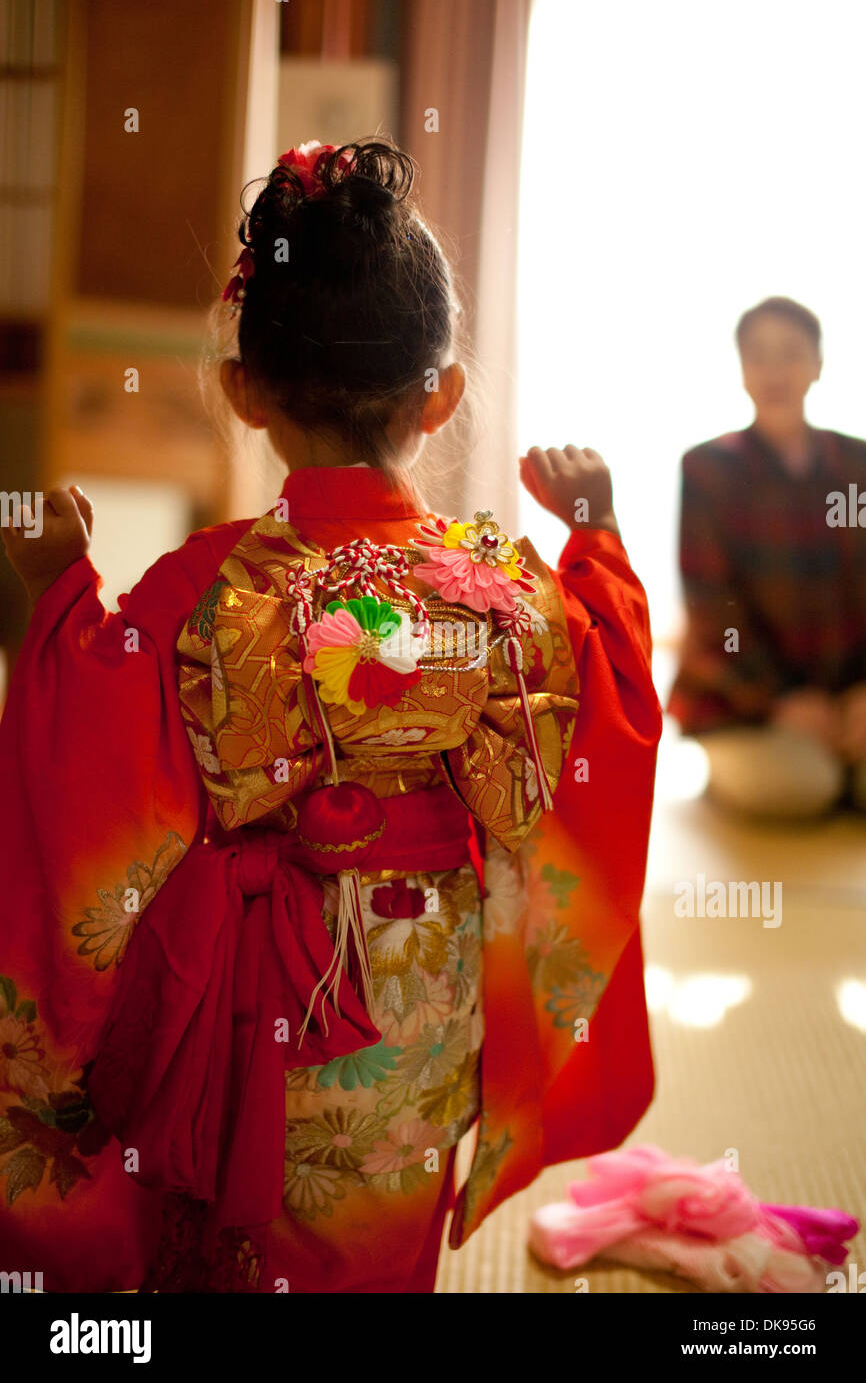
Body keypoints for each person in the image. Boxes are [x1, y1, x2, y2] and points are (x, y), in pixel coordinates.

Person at [0, 140, 661, 1293]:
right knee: (377, 1229)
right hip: (423, 1005)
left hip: (252, 995)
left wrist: (58, 592)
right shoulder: (505, 586)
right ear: (441, 391)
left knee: (223, 1230)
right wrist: (594, 537)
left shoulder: (202, 587)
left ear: (244, 391)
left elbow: (90, 760)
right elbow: (607, 705)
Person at [668, 296, 866, 820]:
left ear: (818, 365)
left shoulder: (858, 464)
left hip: (850, 696)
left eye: (791, 353)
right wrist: (782, 700)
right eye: (758, 355)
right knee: (800, 791)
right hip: (745, 701)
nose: (775, 369)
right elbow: (713, 607)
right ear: (742, 370)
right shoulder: (709, 469)